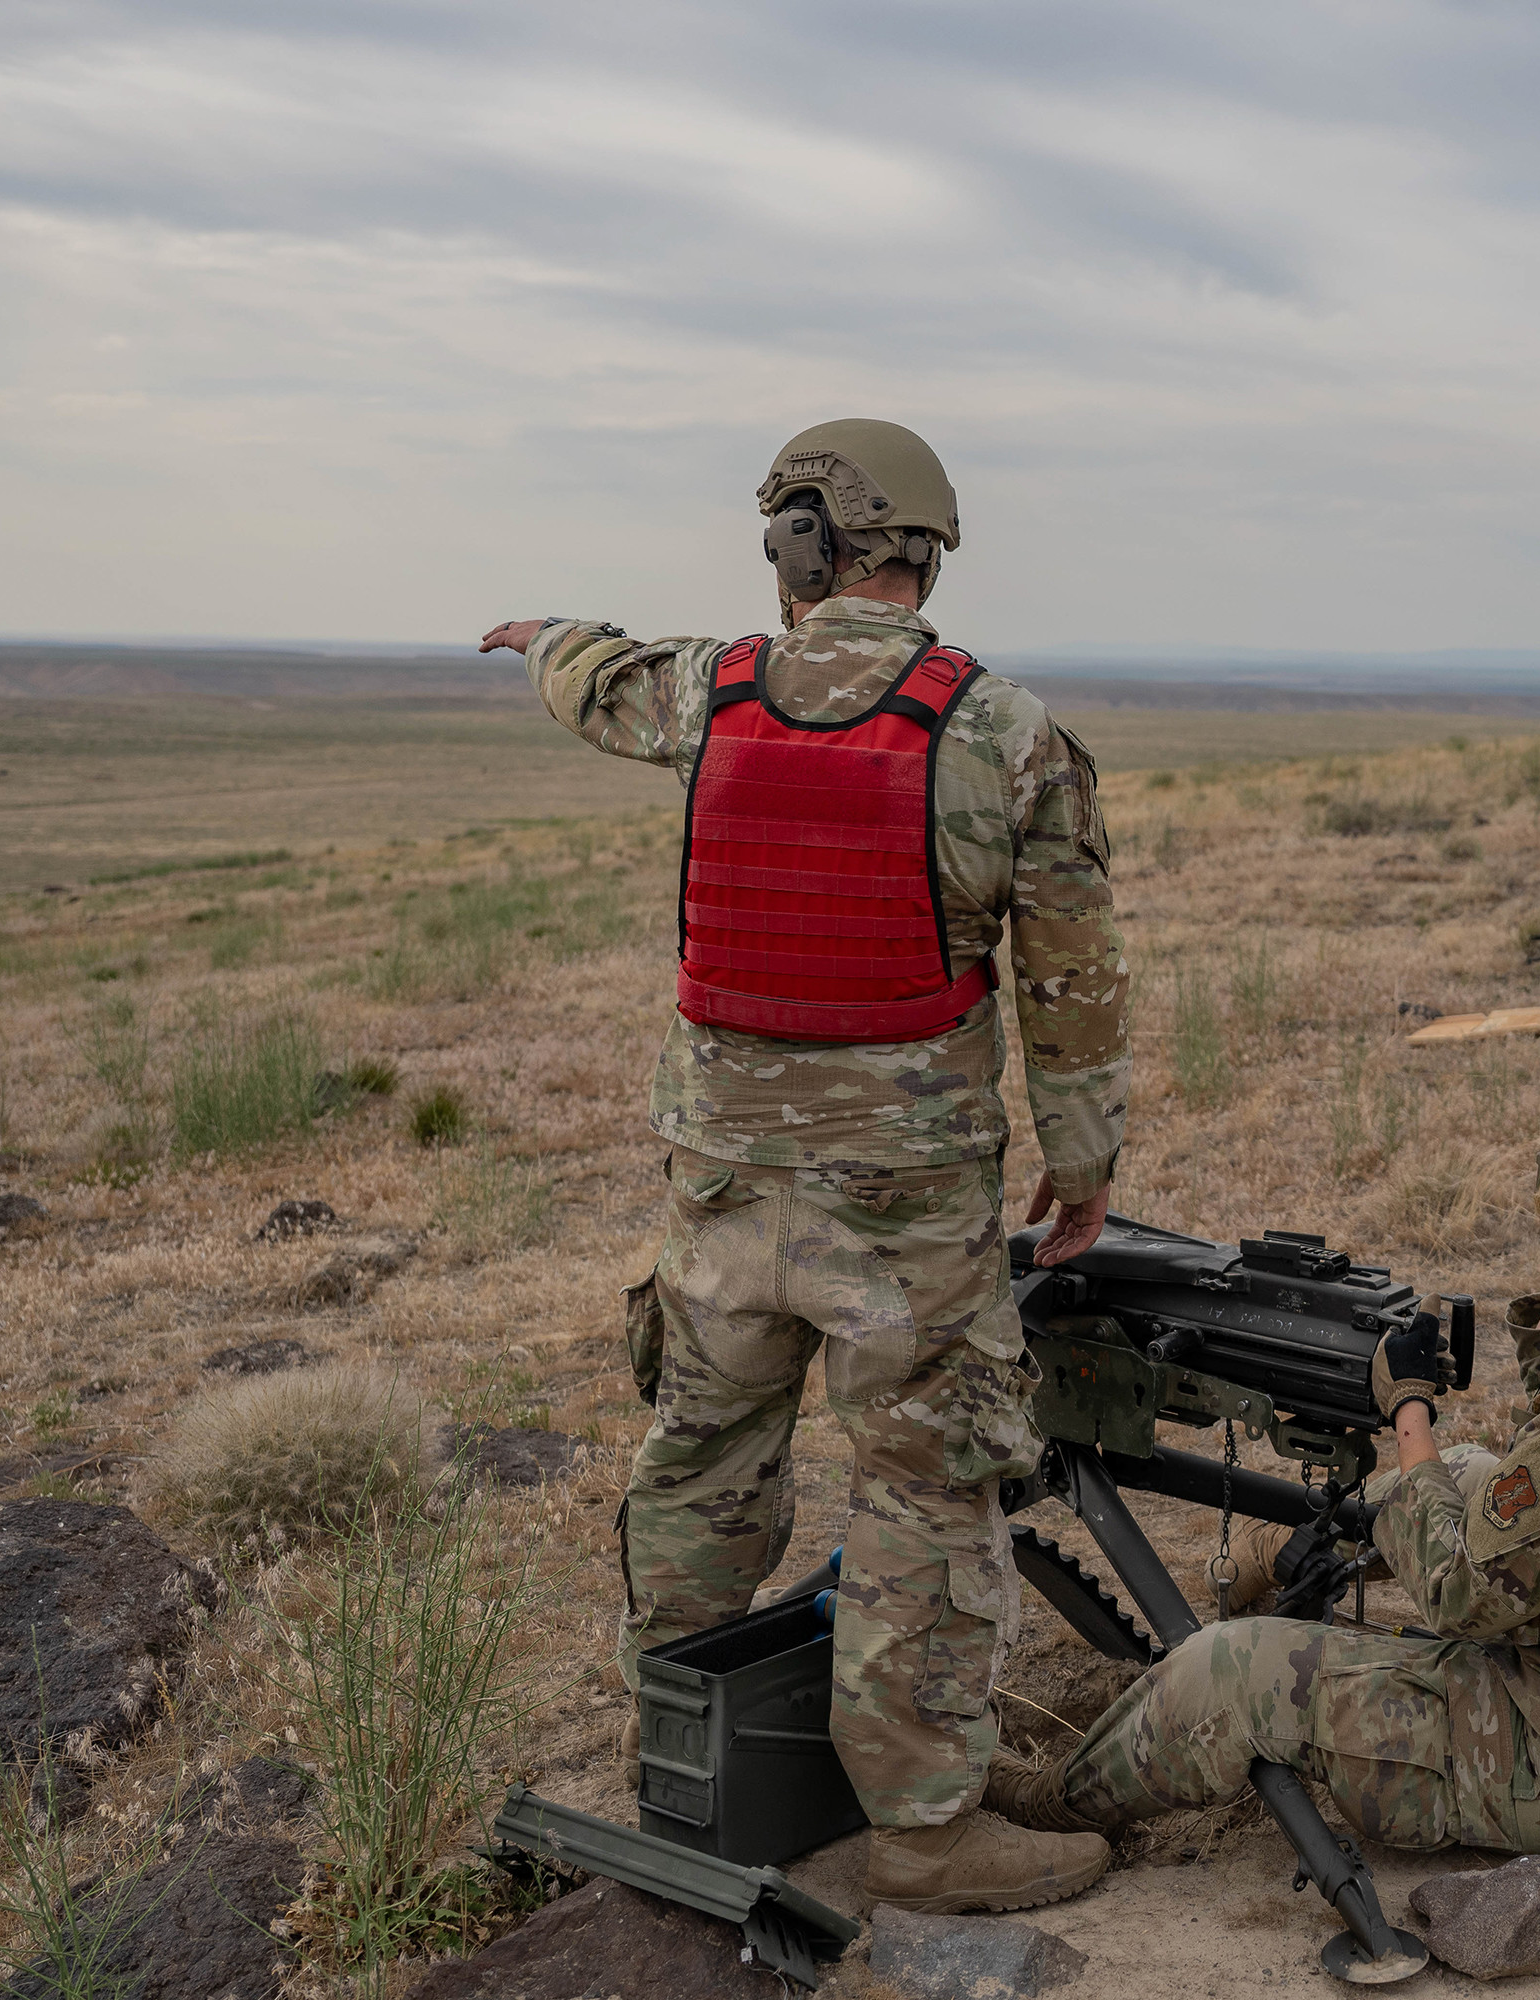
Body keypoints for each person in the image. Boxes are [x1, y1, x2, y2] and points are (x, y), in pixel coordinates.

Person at [476, 418, 1130, 1915]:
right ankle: (923, 1831)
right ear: (924, 548)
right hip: (903, 1210)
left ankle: (678, 1775)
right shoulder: (1006, 734)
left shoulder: (709, 692)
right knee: (919, 1484)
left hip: (720, 1193)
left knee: (702, 1457)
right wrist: (1084, 1161)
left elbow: (597, 674)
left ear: (803, 543)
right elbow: (1073, 980)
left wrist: (546, 635)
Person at [990, 1106, 1540, 1871]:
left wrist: (1410, 1417)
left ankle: (1044, 1804)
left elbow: (1460, 1597)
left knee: (1231, 1670)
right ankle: (1266, 1560)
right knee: (1464, 1476)